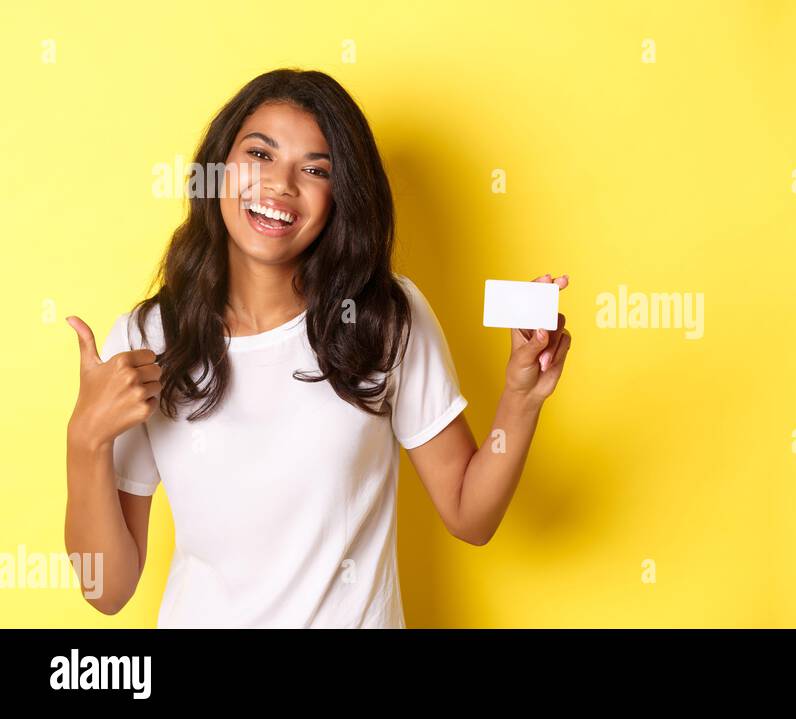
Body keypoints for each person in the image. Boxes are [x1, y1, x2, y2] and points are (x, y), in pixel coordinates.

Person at [63, 69, 572, 628]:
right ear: (218, 169)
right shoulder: (149, 338)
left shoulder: (383, 317)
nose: (281, 184)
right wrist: (85, 438)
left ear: (339, 198)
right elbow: (106, 590)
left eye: (314, 169)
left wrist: (521, 398)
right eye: (260, 154)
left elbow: (470, 518)